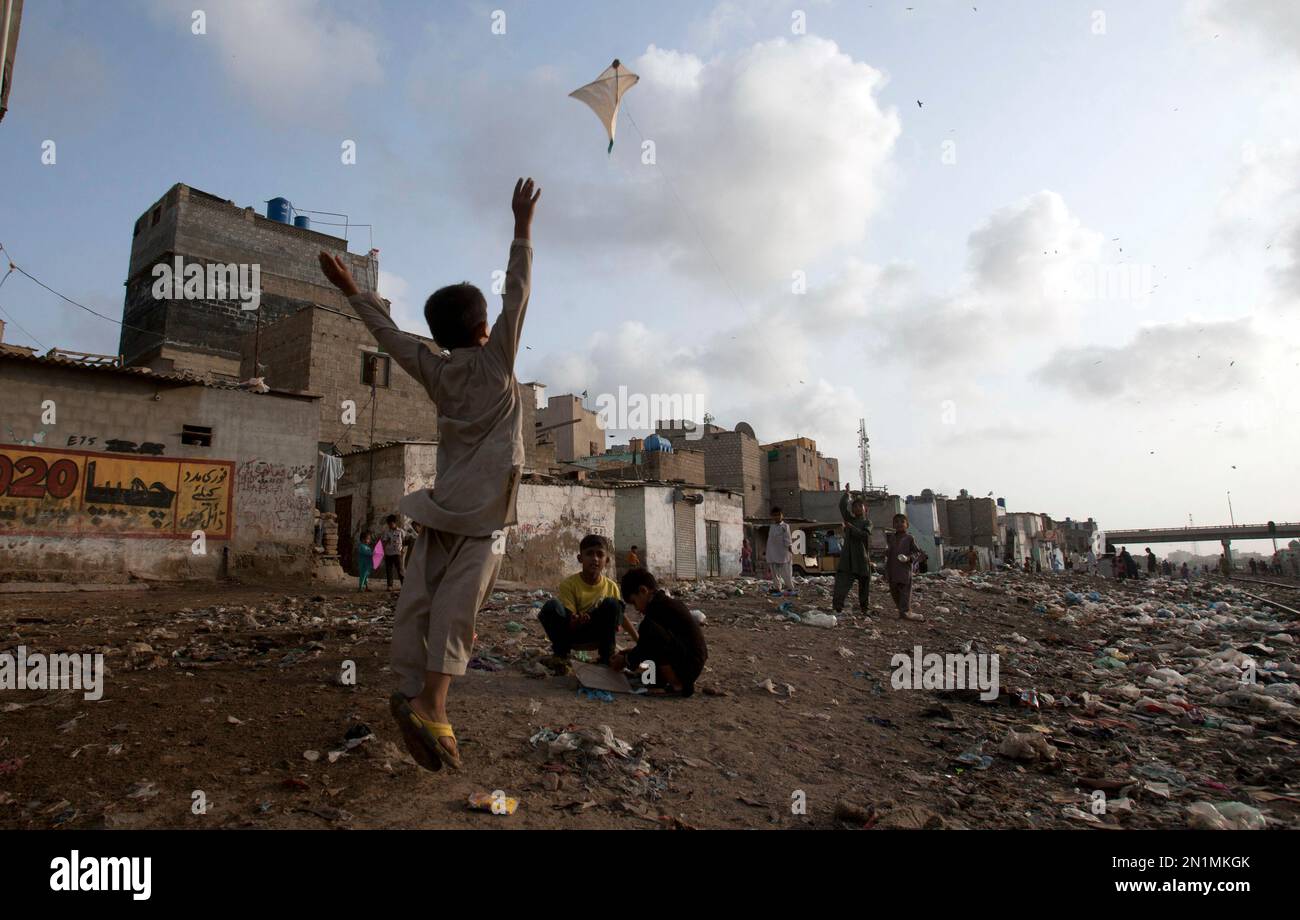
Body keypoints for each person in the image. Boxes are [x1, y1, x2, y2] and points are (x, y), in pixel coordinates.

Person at [318, 176, 541, 773]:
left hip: (440, 509)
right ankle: (431, 705)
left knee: (418, 600)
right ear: (485, 329)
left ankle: (415, 689)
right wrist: (521, 228)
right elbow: (518, 292)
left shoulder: (436, 371)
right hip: (485, 516)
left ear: (443, 333)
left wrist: (349, 289)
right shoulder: (498, 365)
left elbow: (386, 335)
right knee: (457, 611)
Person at [537, 535, 637, 667]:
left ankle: (606, 658)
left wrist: (638, 639)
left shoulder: (611, 586)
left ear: (606, 560)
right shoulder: (569, 584)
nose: (595, 559)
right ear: (580, 558)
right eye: (589, 554)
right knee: (551, 606)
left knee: (613, 604)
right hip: (572, 635)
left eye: (599, 554)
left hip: (597, 636)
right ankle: (561, 655)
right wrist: (576, 621)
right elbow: (568, 618)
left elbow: (621, 616)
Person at [611, 568, 707, 697]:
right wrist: (629, 654)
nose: (637, 608)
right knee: (645, 668)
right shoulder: (664, 604)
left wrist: (625, 660)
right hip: (689, 661)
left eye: (634, 602)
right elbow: (654, 646)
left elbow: (650, 643)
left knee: (647, 629)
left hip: (688, 665)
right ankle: (661, 682)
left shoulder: (657, 612)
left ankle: (677, 685)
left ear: (643, 591)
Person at [832, 485, 873, 617]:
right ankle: (837, 607)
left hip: (862, 559)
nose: (856, 509)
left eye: (859, 506)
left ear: (865, 509)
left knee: (864, 586)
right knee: (841, 585)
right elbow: (842, 507)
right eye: (854, 507)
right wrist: (846, 495)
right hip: (848, 559)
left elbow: (864, 535)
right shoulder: (849, 519)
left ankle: (864, 608)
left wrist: (852, 528)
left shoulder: (867, 523)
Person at [885, 513, 925, 621]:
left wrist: (908, 558)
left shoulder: (909, 538)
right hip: (893, 570)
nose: (899, 524)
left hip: (904, 571)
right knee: (894, 592)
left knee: (904, 592)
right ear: (893, 525)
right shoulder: (891, 538)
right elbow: (889, 554)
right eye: (896, 522)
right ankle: (901, 611)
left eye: (902, 522)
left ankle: (906, 612)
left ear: (907, 524)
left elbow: (917, 553)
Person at [766, 507, 795, 596]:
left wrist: (790, 548)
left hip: (783, 553)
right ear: (772, 516)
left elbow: (788, 539)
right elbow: (770, 539)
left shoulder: (785, 526)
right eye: (774, 515)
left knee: (786, 572)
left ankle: (790, 587)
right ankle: (777, 587)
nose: (777, 517)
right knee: (774, 572)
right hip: (772, 553)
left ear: (782, 515)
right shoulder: (772, 527)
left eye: (778, 514)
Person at [380, 514, 406, 590]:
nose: (390, 525)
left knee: (400, 569)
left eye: (391, 524)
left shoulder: (401, 531)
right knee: (389, 570)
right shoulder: (386, 532)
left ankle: (403, 585)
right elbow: (383, 543)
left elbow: (403, 541)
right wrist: (386, 542)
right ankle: (390, 585)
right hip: (388, 553)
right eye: (389, 524)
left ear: (395, 523)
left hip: (397, 553)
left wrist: (403, 550)